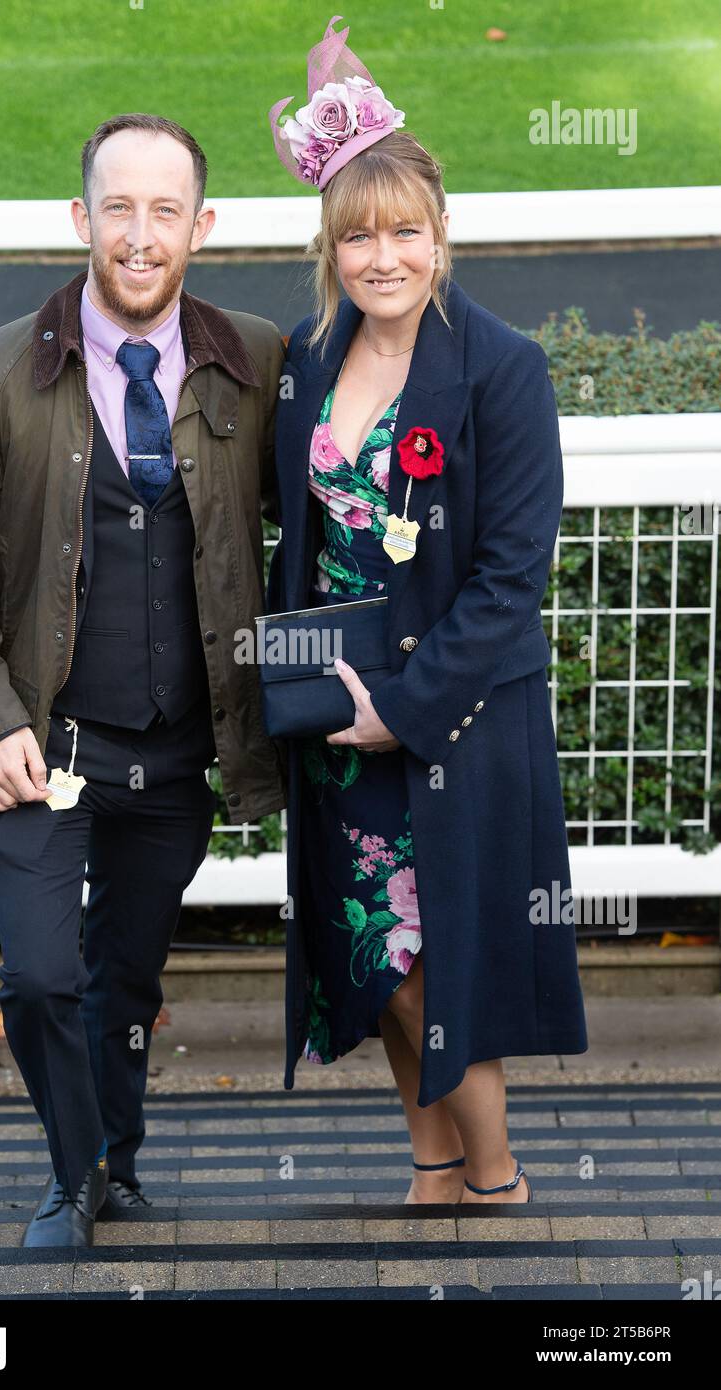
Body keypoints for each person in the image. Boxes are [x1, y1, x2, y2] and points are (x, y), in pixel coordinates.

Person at [0, 113, 286, 1245]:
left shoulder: (259, 359)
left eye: (163, 210)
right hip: (42, 745)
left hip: (176, 747)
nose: (139, 234)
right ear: (81, 219)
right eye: (116, 208)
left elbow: (344, 482)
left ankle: (108, 1167)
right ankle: (74, 1171)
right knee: (36, 978)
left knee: (124, 980)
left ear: (201, 227)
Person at [266, 16, 588, 1207]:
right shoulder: (309, 360)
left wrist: (400, 709)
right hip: (333, 727)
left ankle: (495, 1183)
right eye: (358, 235)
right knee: (372, 950)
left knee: (441, 954)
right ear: (332, 247)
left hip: (447, 722)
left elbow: (511, 575)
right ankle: (433, 1170)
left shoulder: (500, 367)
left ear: (440, 236)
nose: (382, 256)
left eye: (405, 230)